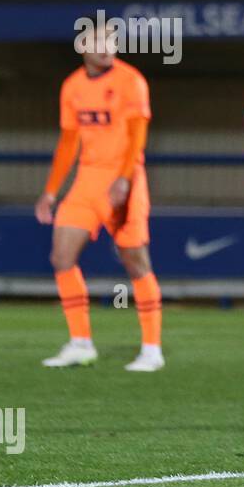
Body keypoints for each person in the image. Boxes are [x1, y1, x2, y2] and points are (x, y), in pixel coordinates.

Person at [35, 21, 164, 372]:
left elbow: (139, 134)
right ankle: (81, 343)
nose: (106, 46)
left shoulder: (131, 81)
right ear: (81, 47)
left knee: (134, 259)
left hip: (125, 178)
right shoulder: (72, 87)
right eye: (97, 41)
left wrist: (124, 178)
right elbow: (67, 142)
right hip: (87, 180)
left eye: (111, 40)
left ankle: (152, 349)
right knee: (61, 256)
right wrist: (50, 191)